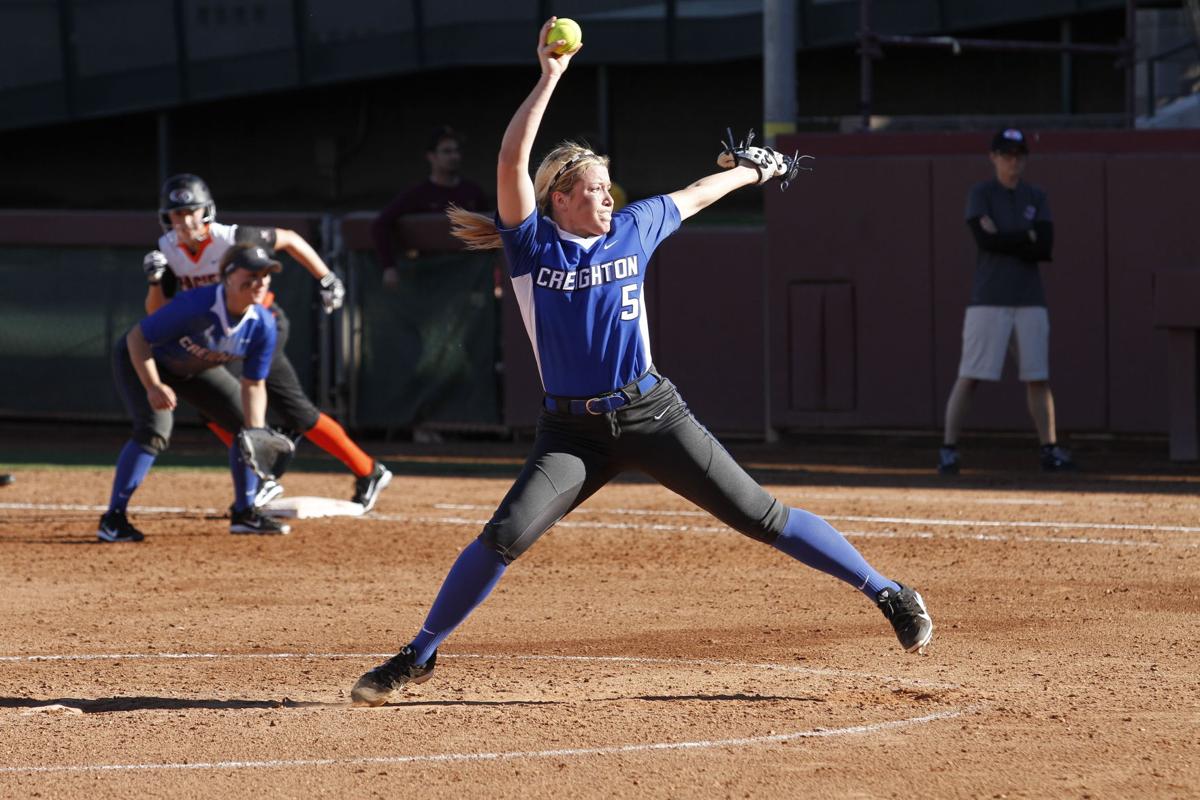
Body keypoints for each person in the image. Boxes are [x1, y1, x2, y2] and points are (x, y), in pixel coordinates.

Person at [348, 19, 934, 706]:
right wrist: (549, 78)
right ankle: (420, 653)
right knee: (504, 535)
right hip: (570, 434)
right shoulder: (532, 245)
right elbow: (512, 162)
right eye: (594, 188)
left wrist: (751, 169)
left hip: (654, 413)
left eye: (608, 186)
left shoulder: (634, 227)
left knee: (760, 515)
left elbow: (694, 194)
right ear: (559, 198)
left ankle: (888, 591)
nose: (608, 195)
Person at [145, 174, 393, 511]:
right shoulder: (168, 250)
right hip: (225, 335)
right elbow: (156, 315)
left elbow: (289, 239)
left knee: (249, 404)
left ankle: (269, 471)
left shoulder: (230, 238)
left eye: (191, 211)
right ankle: (358, 470)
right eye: (177, 214)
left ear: (206, 211)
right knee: (264, 410)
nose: (184, 221)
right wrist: (155, 281)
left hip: (262, 326)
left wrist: (326, 277)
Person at [99, 245, 290, 541]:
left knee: (247, 431)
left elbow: (254, 384)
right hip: (145, 360)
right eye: (251, 274)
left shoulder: (263, 324)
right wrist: (153, 386)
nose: (260, 281)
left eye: (265, 274)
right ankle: (113, 519)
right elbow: (138, 338)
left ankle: (245, 512)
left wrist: (255, 430)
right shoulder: (197, 305)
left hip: (195, 368)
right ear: (228, 276)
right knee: (155, 430)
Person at [938, 128, 1075, 475]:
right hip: (989, 299)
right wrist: (1023, 237)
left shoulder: (1036, 195)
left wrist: (1010, 237)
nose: (1012, 161)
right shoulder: (981, 193)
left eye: (1018, 155)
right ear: (993, 157)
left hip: (1029, 299)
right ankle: (949, 449)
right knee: (969, 375)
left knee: (1038, 376)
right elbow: (986, 241)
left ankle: (1049, 448)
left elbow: (1044, 246)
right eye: (1006, 154)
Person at [371, 125, 488, 289]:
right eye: (447, 151)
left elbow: (492, 232)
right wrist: (389, 266)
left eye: (456, 151)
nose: (454, 156)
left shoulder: (473, 192)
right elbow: (380, 225)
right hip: (430, 280)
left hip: (469, 279)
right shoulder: (417, 194)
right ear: (431, 156)